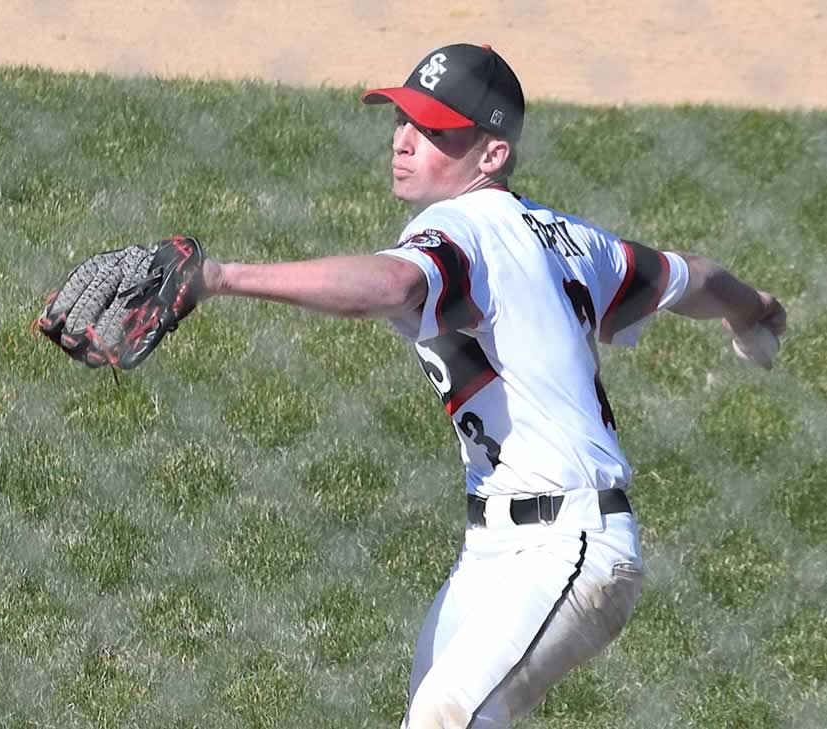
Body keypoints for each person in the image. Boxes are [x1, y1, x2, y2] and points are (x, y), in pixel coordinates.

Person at [200, 43, 786, 729]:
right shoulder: (571, 239)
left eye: (436, 131)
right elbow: (689, 275)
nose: (405, 140)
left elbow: (391, 286)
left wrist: (223, 278)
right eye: (403, 119)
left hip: (567, 544)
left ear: (492, 155)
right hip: (494, 551)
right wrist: (754, 310)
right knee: (437, 713)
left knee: (446, 717)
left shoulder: (463, 225)